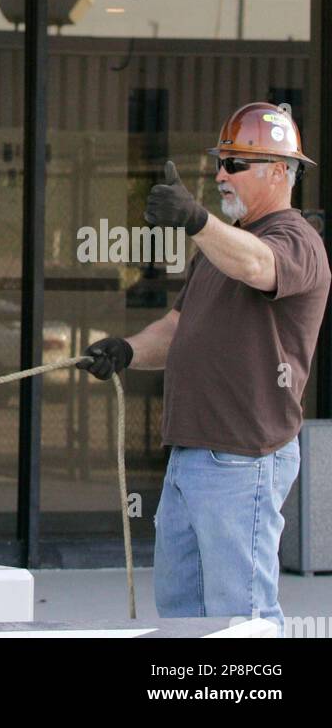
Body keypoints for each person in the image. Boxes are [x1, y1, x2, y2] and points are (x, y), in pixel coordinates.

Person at [79, 102, 329, 630]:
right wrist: (126, 351)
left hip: (242, 459)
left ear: (280, 171)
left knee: (243, 621)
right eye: (221, 161)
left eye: (236, 163)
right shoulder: (217, 251)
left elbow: (259, 265)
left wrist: (196, 219)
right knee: (183, 619)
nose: (220, 174)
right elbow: (176, 328)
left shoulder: (296, 240)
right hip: (191, 455)